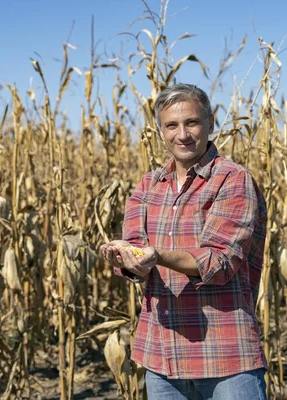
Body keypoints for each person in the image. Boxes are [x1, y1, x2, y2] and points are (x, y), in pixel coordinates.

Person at [100, 84, 268, 399]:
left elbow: (220, 262)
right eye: (172, 125)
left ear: (210, 123)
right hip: (162, 358)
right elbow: (136, 254)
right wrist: (123, 257)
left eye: (191, 122)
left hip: (225, 357)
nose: (183, 134)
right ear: (160, 131)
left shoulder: (232, 180)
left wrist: (156, 255)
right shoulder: (149, 185)